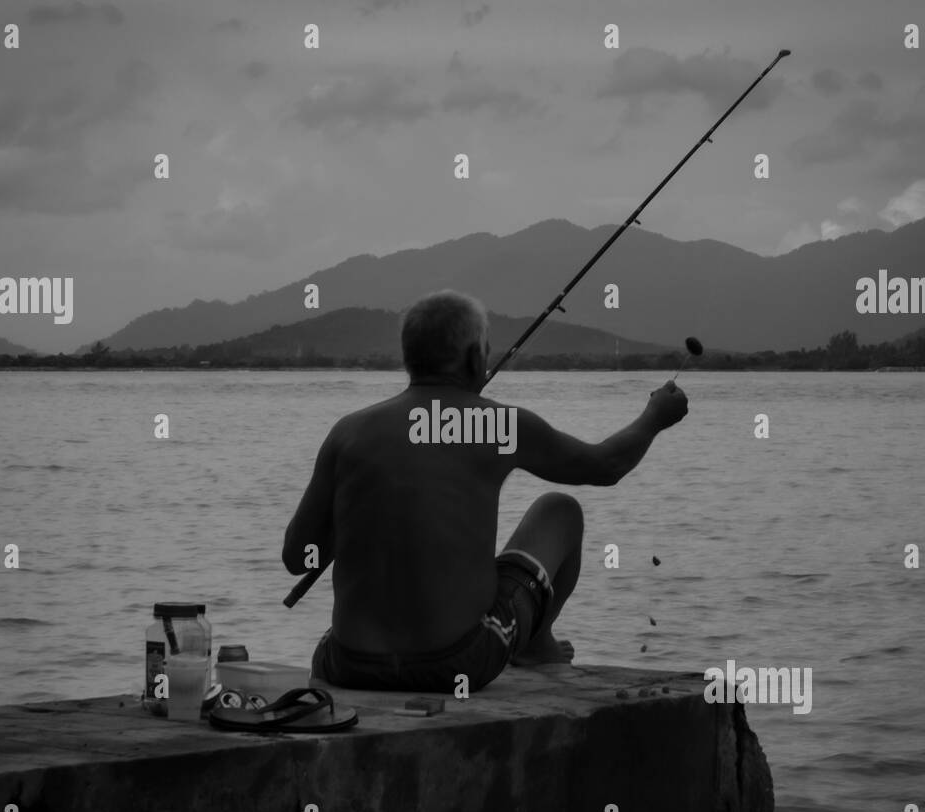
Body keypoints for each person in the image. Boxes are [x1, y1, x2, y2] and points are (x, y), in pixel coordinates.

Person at [283, 289, 689, 693]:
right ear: (476, 358)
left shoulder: (349, 432)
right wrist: (654, 418)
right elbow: (606, 466)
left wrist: (355, 514)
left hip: (347, 665)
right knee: (559, 510)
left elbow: (297, 558)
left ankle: (531, 644)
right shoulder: (495, 425)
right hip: (455, 664)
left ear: (409, 357)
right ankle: (535, 645)